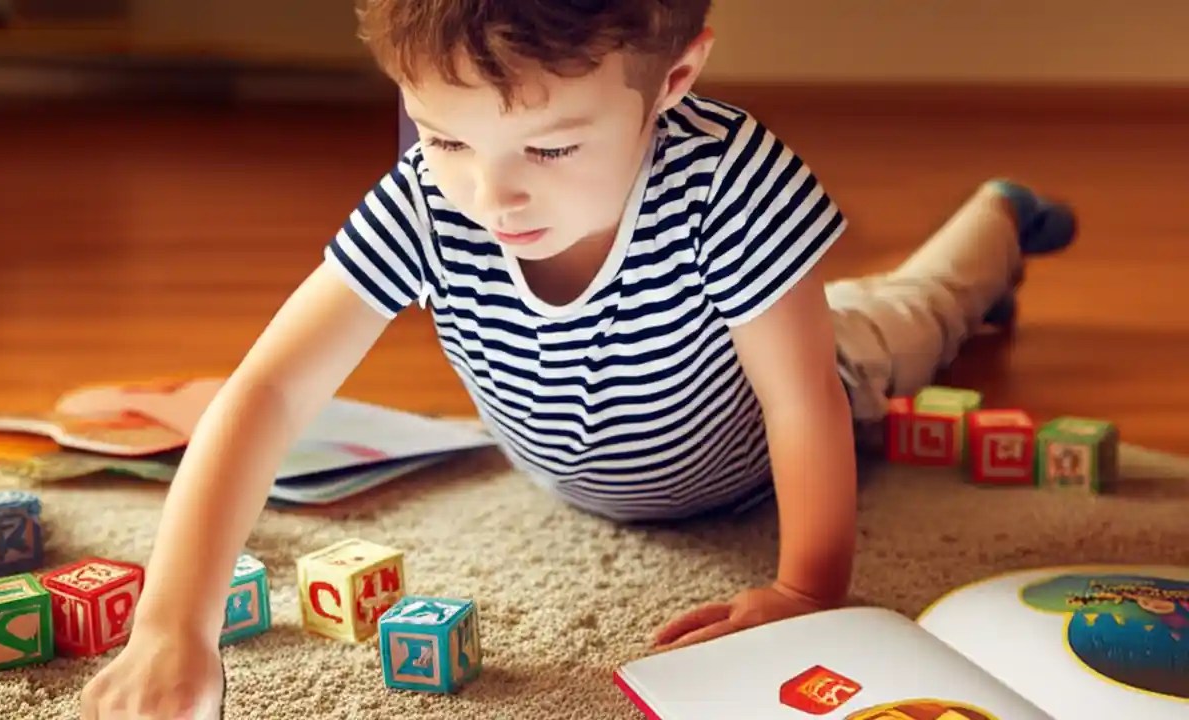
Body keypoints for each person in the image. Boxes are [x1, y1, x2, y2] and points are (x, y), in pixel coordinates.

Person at [78, 1, 1076, 717]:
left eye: (547, 150)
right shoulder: (431, 200)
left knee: (917, 310)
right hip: (632, 424)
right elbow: (271, 386)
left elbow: (799, 397)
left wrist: (808, 591)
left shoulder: (729, 181)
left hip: (825, 368)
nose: (490, 195)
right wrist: (172, 625)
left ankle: (997, 218)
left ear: (674, 80)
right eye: (441, 137)